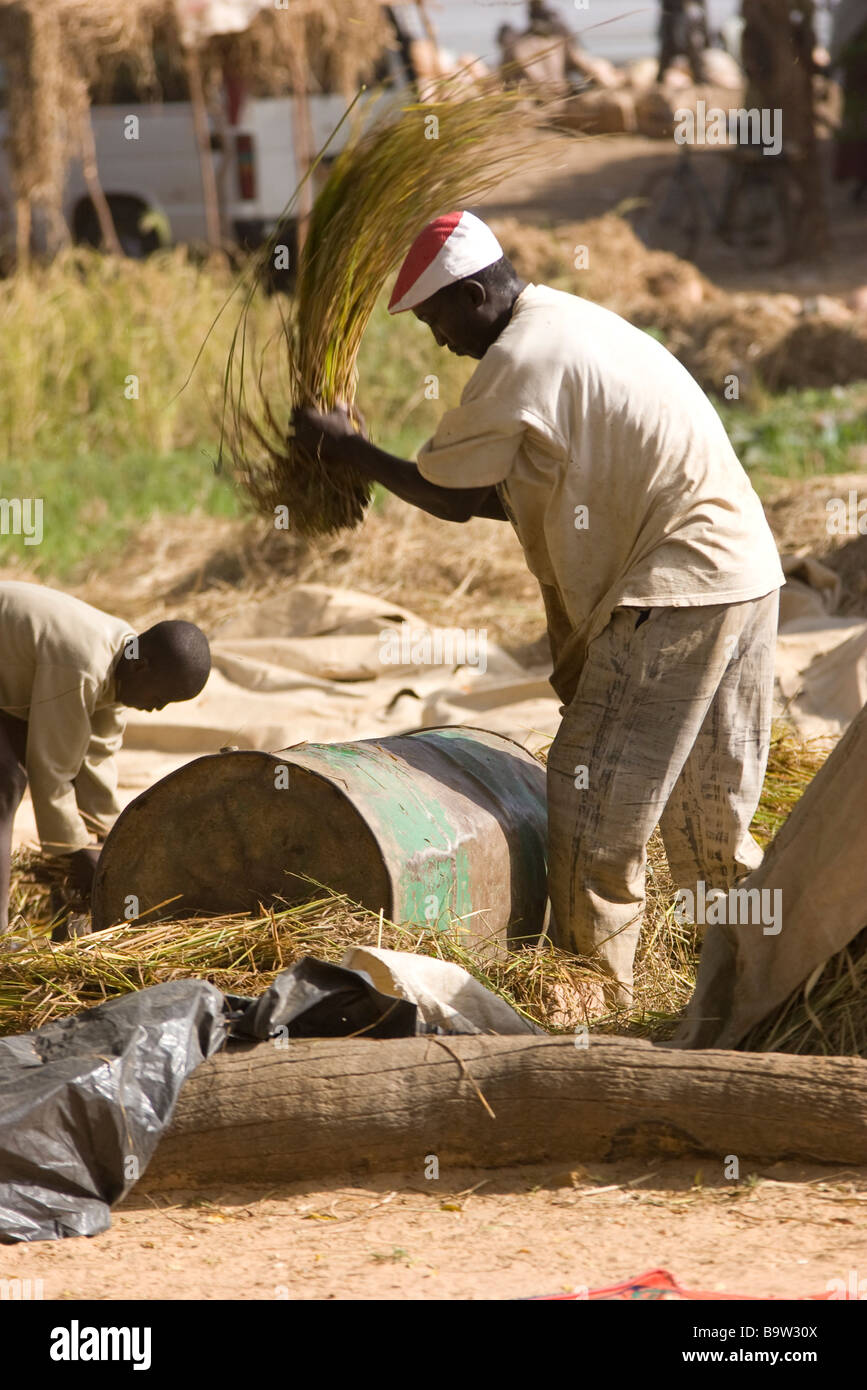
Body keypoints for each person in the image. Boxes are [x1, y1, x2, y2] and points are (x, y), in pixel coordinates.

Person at [293, 210, 785, 1012]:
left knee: (593, 812)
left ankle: (603, 1018)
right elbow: (517, 494)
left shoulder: (520, 359)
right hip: (741, 574)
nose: (438, 341)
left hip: (674, 590)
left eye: (436, 318)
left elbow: (449, 497)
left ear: (477, 292)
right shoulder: (571, 324)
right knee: (709, 832)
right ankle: (769, 995)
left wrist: (345, 446)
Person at [0, 581, 211, 933]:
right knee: (5, 783)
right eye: (164, 697)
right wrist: (74, 851)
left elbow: (95, 760)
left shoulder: (122, 655)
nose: (158, 709)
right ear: (143, 668)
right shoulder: (81, 666)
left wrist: (109, 844)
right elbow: (51, 769)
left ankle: (58, 924)